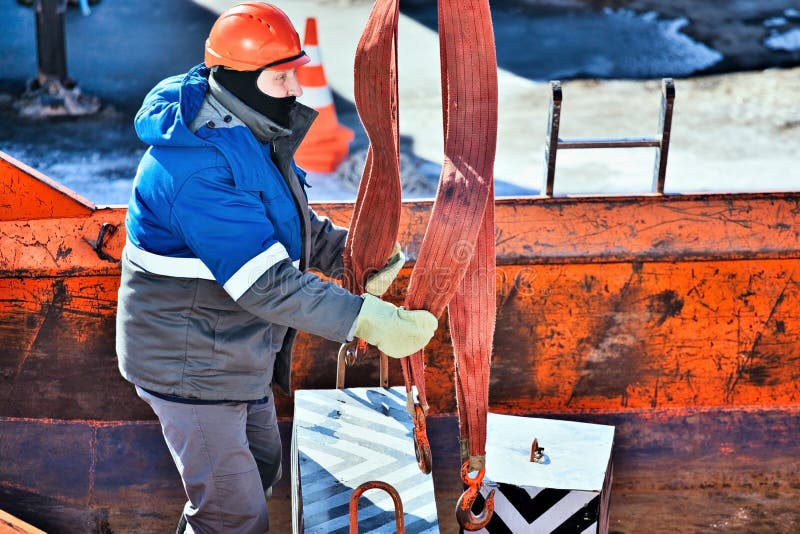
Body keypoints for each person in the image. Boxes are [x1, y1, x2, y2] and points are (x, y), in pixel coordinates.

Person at [115, 3, 438, 532]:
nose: (296, 89)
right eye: (281, 77)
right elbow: (266, 284)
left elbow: (286, 222)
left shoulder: (246, 131)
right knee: (232, 513)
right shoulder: (195, 170)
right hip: (190, 366)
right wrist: (367, 320)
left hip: (234, 351)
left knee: (262, 466)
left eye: (296, 73)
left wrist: (354, 256)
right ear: (239, 80)